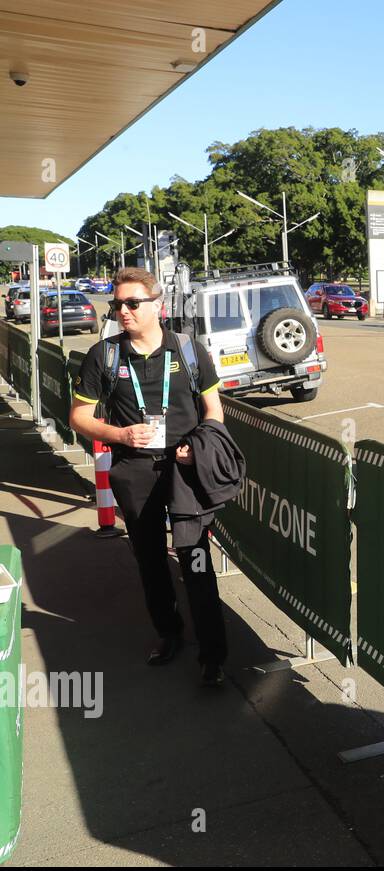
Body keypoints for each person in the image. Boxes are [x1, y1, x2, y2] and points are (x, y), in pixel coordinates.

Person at [69, 267, 231, 688]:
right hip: (134, 472)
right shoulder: (104, 355)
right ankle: (170, 632)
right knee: (151, 561)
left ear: (157, 306)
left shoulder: (189, 351)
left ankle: (213, 655)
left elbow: (214, 410)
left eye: (132, 303)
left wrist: (197, 446)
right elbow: (79, 417)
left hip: (185, 472)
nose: (123, 311)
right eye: (117, 304)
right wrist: (119, 433)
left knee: (196, 559)